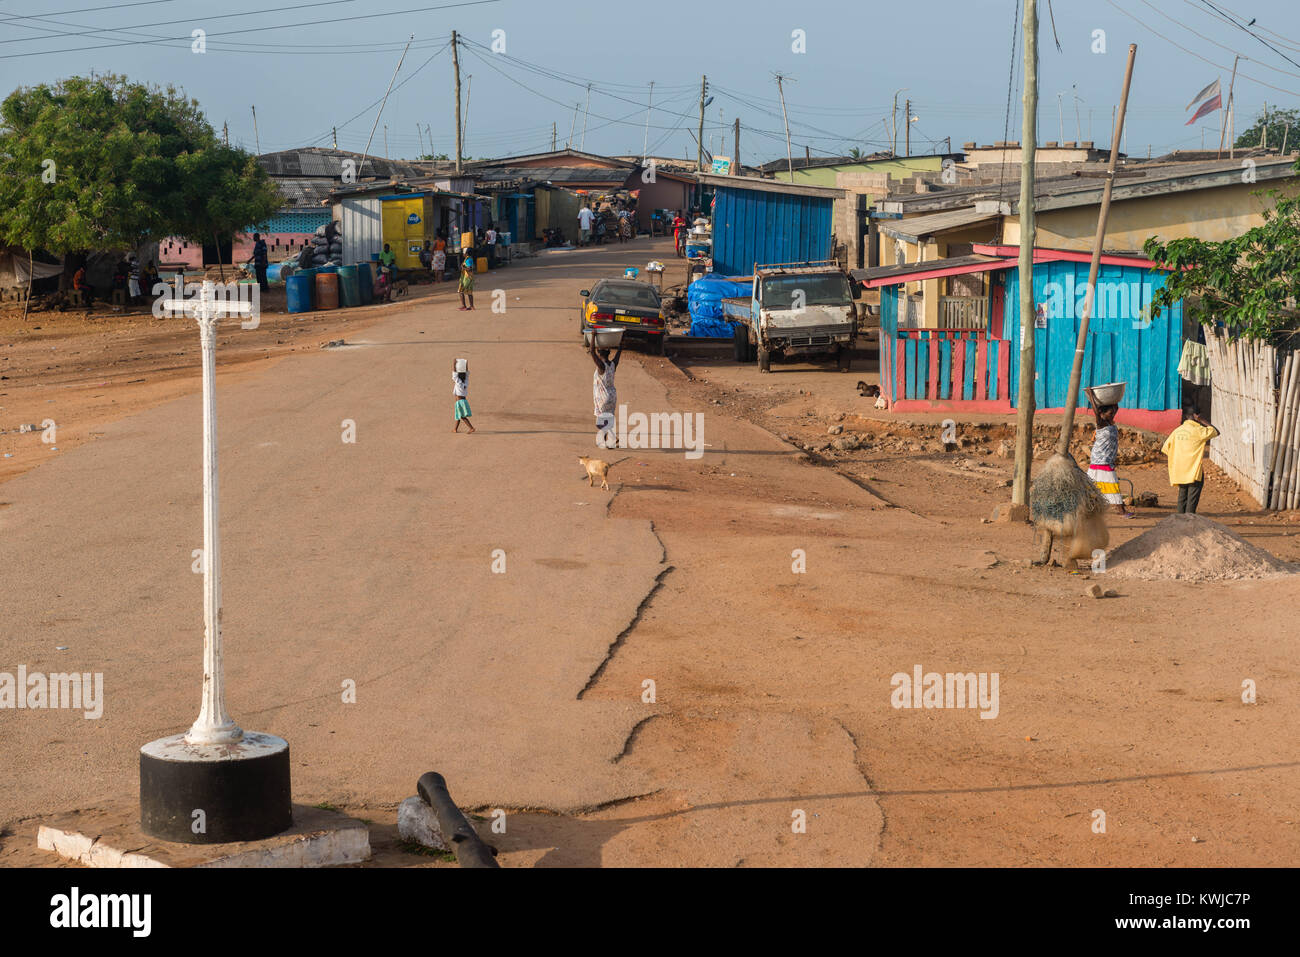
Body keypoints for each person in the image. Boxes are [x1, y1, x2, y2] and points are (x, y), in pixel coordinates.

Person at [1161, 406, 1219, 514]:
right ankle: (1189, 520)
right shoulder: (1199, 430)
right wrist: (1202, 420)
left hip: (1179, 469)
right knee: (1192, 498)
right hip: (1193, 470)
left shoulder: (1177, 431)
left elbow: (1165, 449)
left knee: (1182, 495)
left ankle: (1179, 520)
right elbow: (1216, 431)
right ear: (1196, 415)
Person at [1087, 403, 1133, 518]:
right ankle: (1121, 511)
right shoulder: (1101, 423)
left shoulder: (1109, 422)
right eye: (1110, 413)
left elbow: (1116, 407)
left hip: (1106, 459)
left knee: (1093, 485)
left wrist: (1114, 399)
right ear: (1102, 414)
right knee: (1112, 484)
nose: (1113, 415)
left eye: (1113, 413)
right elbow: (1096, 411)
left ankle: (1088, 508)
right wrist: (1090, 395)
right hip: (1100, 459)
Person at [590, 338, 622, 446]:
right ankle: (604, 441)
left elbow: (591, 352)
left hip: (602, 397)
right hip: (612, 397)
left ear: (600, 355)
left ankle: (612, 437)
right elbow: (619, 351)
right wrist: (622, 337)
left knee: (602, 420)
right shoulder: (613, 364)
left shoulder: (601, 366)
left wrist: (593, 336)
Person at [453, 363, 475, 434]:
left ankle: (471, 428)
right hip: (462, 401)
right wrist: (466, 365)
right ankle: (455, 429)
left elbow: (454, 374)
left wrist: (454, 364)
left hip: (460, 402)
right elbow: (467, 374)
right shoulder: (466, 381)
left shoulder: (458, 382)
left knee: (462, 416)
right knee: (458, 415)